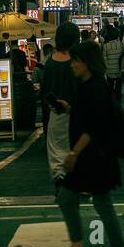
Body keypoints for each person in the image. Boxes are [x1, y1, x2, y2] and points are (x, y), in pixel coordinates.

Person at [51, 39, 124, 247]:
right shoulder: (90, 85)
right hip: (94, 156)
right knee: (91, 201)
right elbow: (88, 114)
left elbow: (93, 126)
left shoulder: (95, 87)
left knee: (84, 200)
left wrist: (74, 153)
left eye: (75, 60)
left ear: (86, 62)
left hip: (94, 157)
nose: (71, 64)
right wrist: (68, 108)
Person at [43, 25, 80, 188]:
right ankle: (78, 180)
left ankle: (60, 177)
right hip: (76, 111)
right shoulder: (77, 60)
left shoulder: (50, 61)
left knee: (56, 150)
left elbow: (45, 90)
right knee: (75, 147)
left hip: (55, 112)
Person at [103, 25, 124, 104]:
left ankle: (110, 101)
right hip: (119, 70)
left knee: (110, 86)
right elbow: (123, 55)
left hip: (109, 70)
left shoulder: (106, 46)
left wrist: (107, 67)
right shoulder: (120, 44)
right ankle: (118, 102)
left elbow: (104, 58)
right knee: (118, 88)